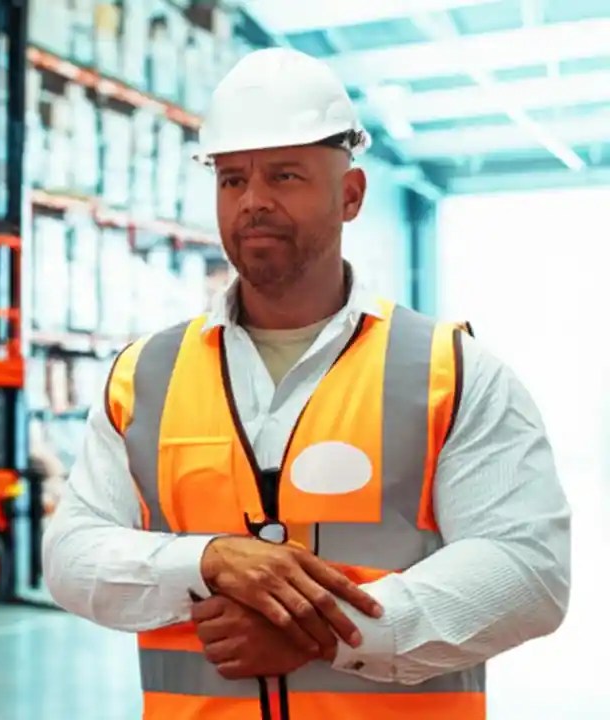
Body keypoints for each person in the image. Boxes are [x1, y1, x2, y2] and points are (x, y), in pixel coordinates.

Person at [42, 47, 571, 720]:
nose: (254, 202)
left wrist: (323, 633)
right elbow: (71, 555)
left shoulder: (453, 372)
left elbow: (529, 572)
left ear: (350, 195)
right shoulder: (143, 377)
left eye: (285, 176)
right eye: (232, 180)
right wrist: (207, 562)